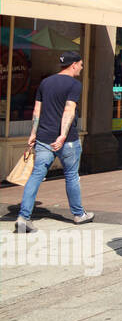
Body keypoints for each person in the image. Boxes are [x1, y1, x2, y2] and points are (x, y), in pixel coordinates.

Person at [16, 50, 93, 232]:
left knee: (36, 176)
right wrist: (63, 136)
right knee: (72, 176)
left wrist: (33, 133)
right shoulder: (74, 85)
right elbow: (69, 110)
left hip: (43, 137)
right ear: (73, 64)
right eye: (80, 65)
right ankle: (78, 214)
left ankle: (23, 217)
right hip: (67, 141)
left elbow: (37, 110)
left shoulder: (45, 83)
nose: (81, 68)